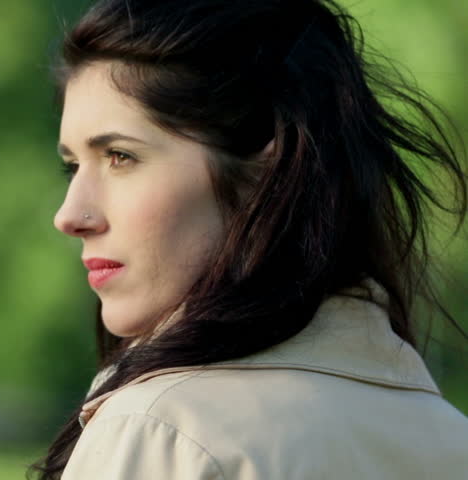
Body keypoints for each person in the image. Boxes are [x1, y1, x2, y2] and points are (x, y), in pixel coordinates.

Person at [30, 0, 468, 478]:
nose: (69, 215)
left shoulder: (162, 433)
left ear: (268, 166)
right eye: (72, 167)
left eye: (120, 156)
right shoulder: (450, 439)